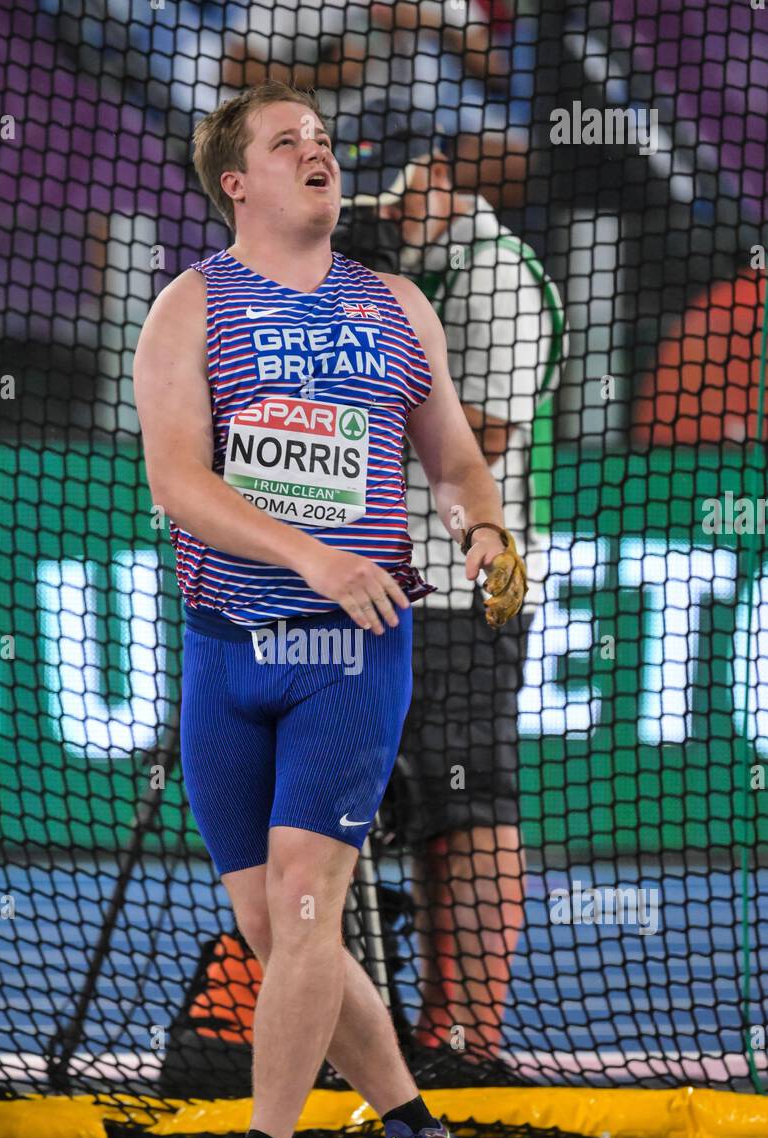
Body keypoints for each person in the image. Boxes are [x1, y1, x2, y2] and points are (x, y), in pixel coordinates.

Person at [133, 80, 527, 1138]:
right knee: (269, 926)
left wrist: (484, 527)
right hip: (224, 654)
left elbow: (454, 457)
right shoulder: (192, 307)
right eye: (286, 141)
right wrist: (308, 554)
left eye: (324, 138)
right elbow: (179, 484)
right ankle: (417, 1130)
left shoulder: (399, 305)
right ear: (236, 182)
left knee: (309, 904)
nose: (320, 152)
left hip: (353, 654)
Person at [332, 115, 568, 1082]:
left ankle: (467, 1035)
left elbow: (481, 440)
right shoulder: (348, 265)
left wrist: (318, 420)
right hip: (344, 578)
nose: (381, 210)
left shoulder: (493, 275)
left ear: (440, 178)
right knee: (327, 809)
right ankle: (363, 1038)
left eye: (399, 189)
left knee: (466, 814)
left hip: (456, 590)